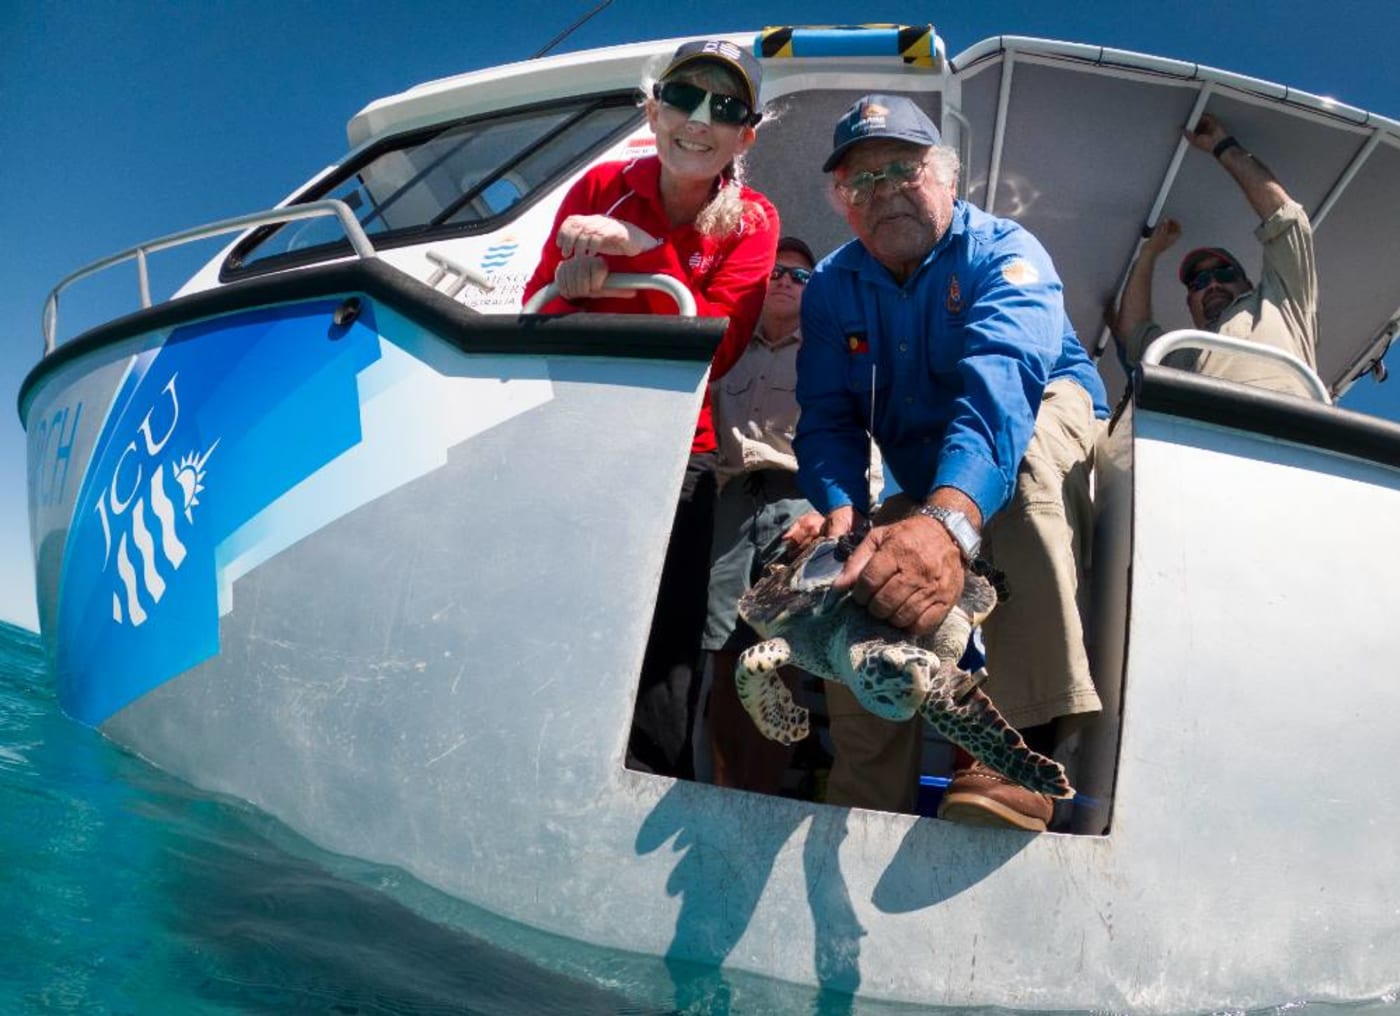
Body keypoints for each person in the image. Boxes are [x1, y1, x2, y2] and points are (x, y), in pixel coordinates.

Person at [792, 94, 1109, 832]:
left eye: (904, 169)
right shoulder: (832, 290)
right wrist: (845, 513)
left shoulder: (1007, 250)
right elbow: (829, 418)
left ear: (947, 177)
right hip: (927, 466)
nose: (886, 191)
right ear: (843, 204)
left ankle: (1022, 754)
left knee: (1024, 471)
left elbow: (1003, 387)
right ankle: (863, 791)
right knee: (858, 568)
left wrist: (947, 522)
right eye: (861, 182)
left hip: (1037, 412)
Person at [522, 39, 780, 779]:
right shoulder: (598, 185)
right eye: (685, 98)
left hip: (678, 451)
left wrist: (638, 250)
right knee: (564, 605)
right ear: (653, 108)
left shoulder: (754, 220)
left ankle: (646, 780)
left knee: (665, 641)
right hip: (578, 431)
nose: (700, 121)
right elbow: (536, 303)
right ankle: (541, 760)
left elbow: (722, 345)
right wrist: (576, 281)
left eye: (726, 108)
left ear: (745, 135)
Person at [703, 235, 818, 794]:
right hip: (730, 498)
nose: (783, 281)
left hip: (798, 499)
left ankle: (764, 795)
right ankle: (723, 791)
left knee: (781, 650)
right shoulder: (726, 345)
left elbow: (857, 433)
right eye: (776, 271)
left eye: (799, 277)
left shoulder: (825, 352)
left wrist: (830, 512)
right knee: (723, 652)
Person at [1112, 113, 1319, 398]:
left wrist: (1222, 146)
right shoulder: (1182, 354)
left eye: (1223, 273)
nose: (1211, 284)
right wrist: (1148, 253)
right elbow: (1133, 334)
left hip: (1291, 426)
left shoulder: (1281, 301)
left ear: (1247, 284)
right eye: (1198, 283)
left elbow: (1287, 220)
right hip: (1211, 438)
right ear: (1190, 303)